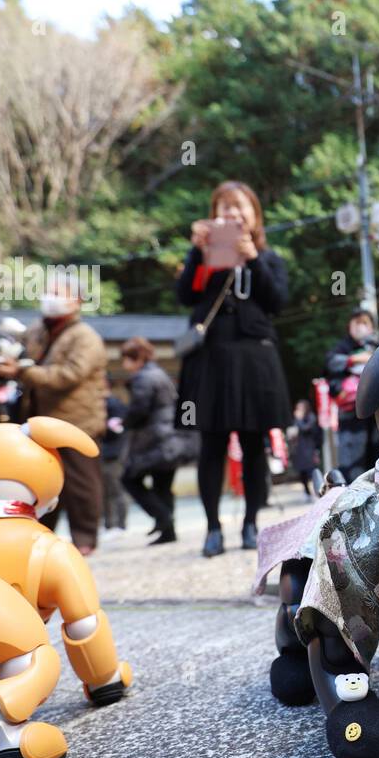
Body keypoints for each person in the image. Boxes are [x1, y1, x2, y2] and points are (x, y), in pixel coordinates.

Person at [175, 180, 294, 557]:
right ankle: (212, 529)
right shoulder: (205, 254)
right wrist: (197, 253)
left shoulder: (269, 257)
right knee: (210, 443)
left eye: (240, 207)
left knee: (253, 445)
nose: (233, 213)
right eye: (224, 207)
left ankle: (250, 524)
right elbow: (184, 296)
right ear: (214, 215)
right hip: (211, 356)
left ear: (255, 214)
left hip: (255, 357)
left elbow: (277, 302)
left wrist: (252, 259)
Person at [0, 273, 108, 555]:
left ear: (77, 300)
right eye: (48, 291)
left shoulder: (85, 336)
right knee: (39, 481)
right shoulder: (37, 330)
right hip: (38, 421)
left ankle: (85, 540)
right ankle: (41, 534)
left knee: (80, 482)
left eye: (58, 292)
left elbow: (69, 375)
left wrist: (21, 371)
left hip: (77, 421)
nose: (49, 297)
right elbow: (22, 356)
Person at [120, 337, 186, 546]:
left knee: (129, 478)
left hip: (155, 438)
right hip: (170, 436)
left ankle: (164, 518)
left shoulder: (144, 378)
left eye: (127, 359)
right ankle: (168, 531)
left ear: (137, 358)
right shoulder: (161, 374)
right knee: (163, 485)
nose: (124, 365)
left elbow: (139, 409)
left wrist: (123, 423)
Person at [327, 308, 379, 482]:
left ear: (372, 326)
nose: (360, 327)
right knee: (352, 458)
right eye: (356, 322)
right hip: (351, 413)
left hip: (377, 412)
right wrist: (354, 360)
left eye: (365, 322)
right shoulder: (342, 348)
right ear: (349, 326)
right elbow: (330, 364)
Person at [101, 384, 129, 537]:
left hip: (114, 452)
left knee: (115, 489)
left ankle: (119, 525)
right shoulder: (104, 404)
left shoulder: (113, 404)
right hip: (107, 452)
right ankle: (109, 525)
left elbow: (117, 430)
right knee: (106, 490)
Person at [289, 399, 322, 497]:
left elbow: (306, 428)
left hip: (309, 448)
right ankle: (306, 492)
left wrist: (299, 420)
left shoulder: (311, 417)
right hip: (299, 449)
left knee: (311, 471)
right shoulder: (296, 420)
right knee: (302, 472)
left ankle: (318, 491)